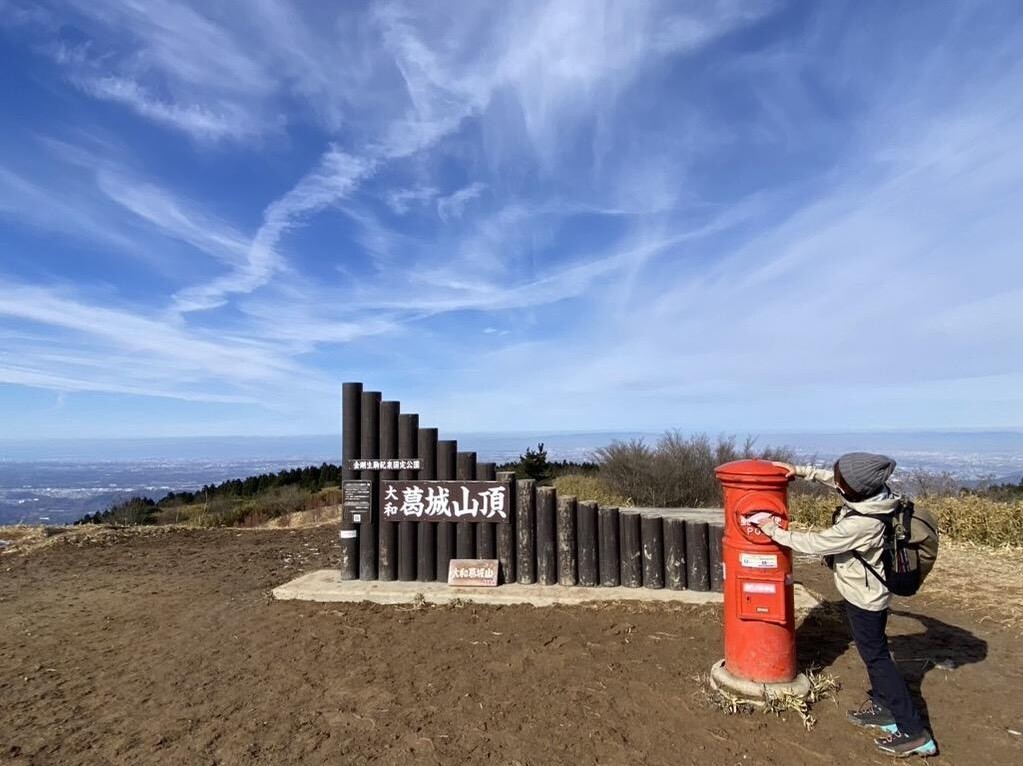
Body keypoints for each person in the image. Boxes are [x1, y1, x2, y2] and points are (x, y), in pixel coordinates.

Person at [750, 452, 937, 759]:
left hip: (866, 600)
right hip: (864, 593)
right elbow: (835, 482)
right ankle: (883, 708)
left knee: (877, 658)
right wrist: (801, 471)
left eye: (840, 479)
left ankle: (914, 732)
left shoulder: (862, 524)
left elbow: (816, 544)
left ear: (853, 490)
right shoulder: (878, 496)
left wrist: (773, 531)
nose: (834, 481)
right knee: (872, 654)